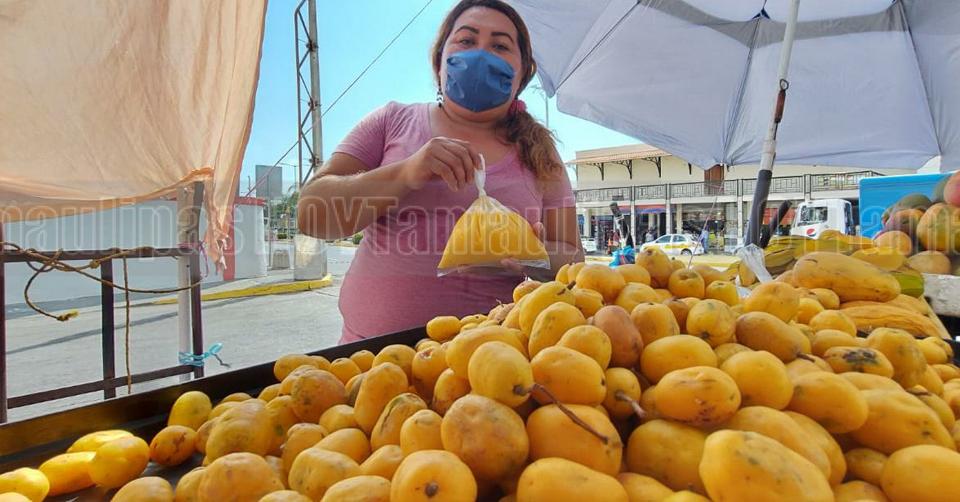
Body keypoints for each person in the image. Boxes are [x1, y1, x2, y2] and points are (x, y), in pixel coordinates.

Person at [298, 0, 582, 344]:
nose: (481, 53)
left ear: (523, 73)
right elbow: (311, 215)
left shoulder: (541, 153)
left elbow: (573, 260)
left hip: (493, 364)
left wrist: (529, 255)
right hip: (371, 358)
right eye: (466, 40)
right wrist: (405, 173)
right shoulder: (392, 121)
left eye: (500, 45)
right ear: (439, 62)